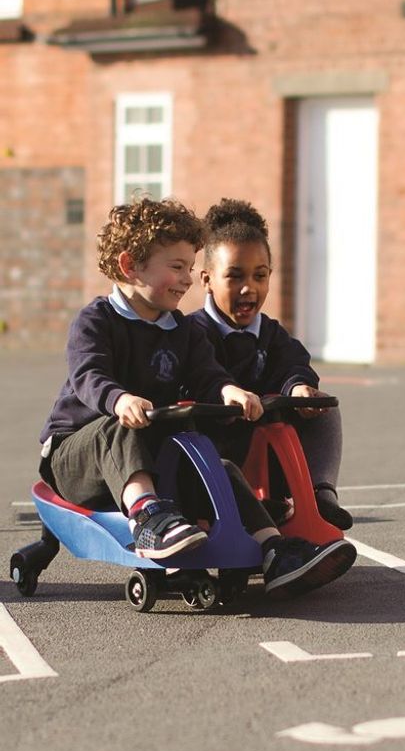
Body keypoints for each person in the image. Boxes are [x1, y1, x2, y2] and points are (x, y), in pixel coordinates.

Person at [38, 196, 356, 596]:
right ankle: (148, 517)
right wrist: (120, 399)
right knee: (117, 429)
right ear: (130, 266)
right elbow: (89, 376)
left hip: (147, 453)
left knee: (218, 467)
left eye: (189, 267)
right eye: (177, 268)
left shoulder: (182, 330)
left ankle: (275, 549)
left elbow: (207, 375)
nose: (188, 278)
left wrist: (230, 391)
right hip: (79, 456)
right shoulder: (96, 321)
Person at [188, 197, 354, 530]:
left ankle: (320, 495)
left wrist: (300, 388)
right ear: (206, 279)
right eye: (234, 276)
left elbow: (293, 364)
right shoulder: (191, 333)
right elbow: (200, 374)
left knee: (324, 408)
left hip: (268, 456)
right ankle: (254, 518)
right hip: (218, 458)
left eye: (260, 275)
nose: (249, 287)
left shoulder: (270, 332)